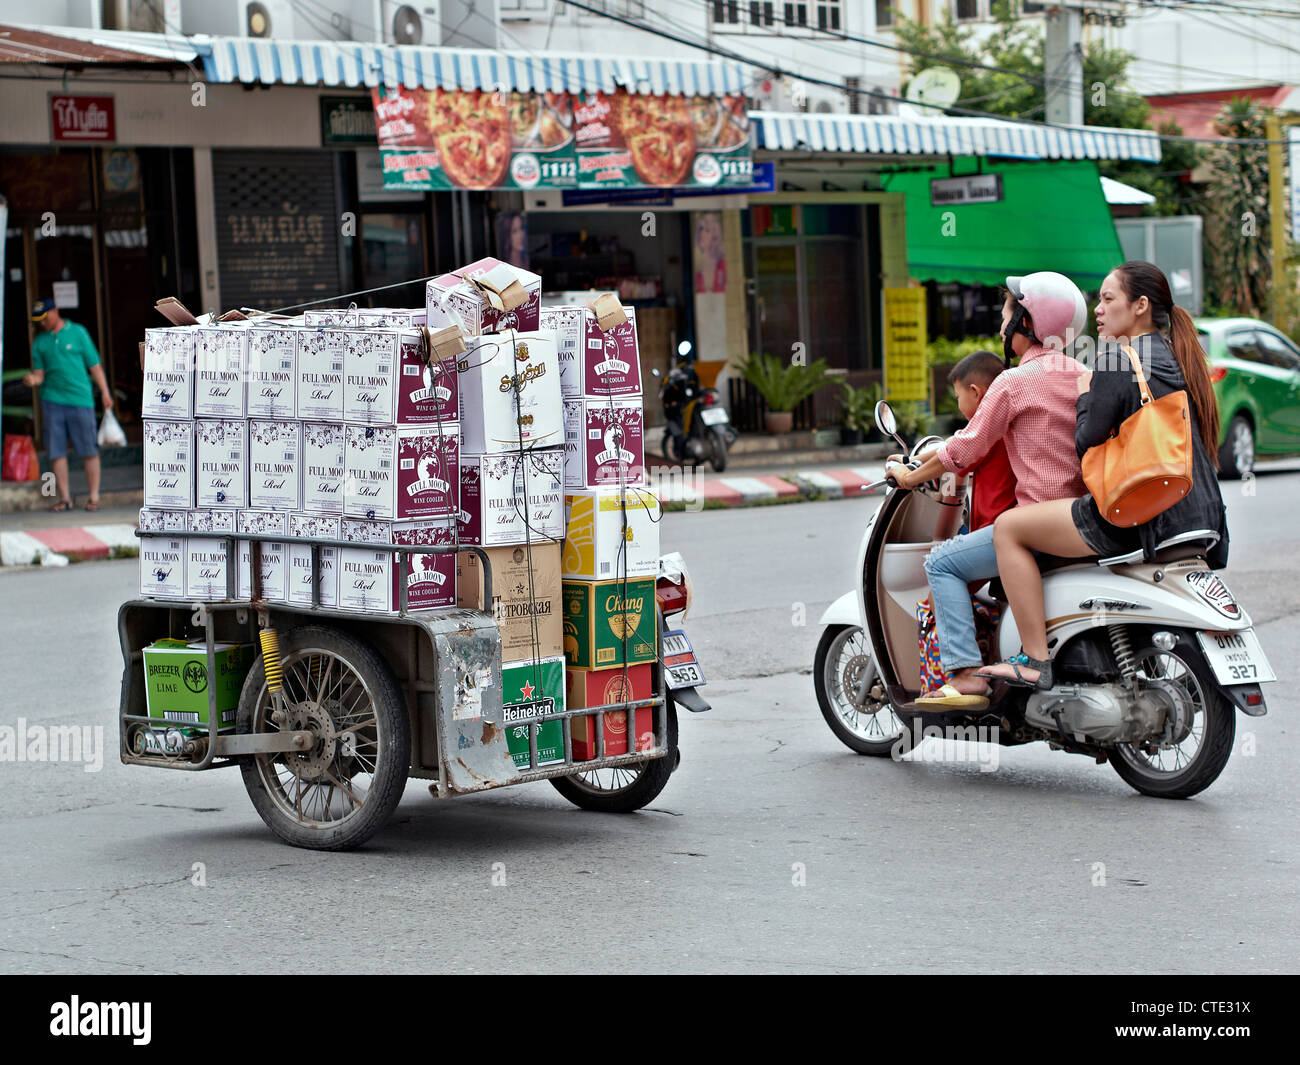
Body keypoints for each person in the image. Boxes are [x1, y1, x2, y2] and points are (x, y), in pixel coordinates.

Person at [978, 262, 1228, 690]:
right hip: (1202, 517)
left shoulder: (1118, 357)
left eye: (1109, 299)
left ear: (1141, 306)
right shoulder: (1179, 356)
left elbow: (1086, 441)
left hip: (1142, 514)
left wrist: (1084, 397)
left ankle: (1035, 658)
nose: (1098, 309)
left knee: (1009, 529)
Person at [885, 272, 1089, 709]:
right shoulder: (1082, 373)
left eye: (1007, 313)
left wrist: (909, 476)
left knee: (941, 562)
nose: (1001, 323)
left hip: (1037, 524)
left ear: (1028, 323)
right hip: (1083, 518)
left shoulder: (1012, 382)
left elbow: (967, 446)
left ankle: (964, 675)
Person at [22, 298, 114, 511]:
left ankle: (93, 496)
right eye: (39, 320)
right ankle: (64, 499)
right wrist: (32, 380)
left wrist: (106, 393)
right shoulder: (40, 342)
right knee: (56, 451)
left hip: (81, 400)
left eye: (44, 318)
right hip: (52, 402)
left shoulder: (78, 332)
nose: (42, 323)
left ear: (55, 311)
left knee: (89, 449)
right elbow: (39, 375)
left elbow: (95, 366)